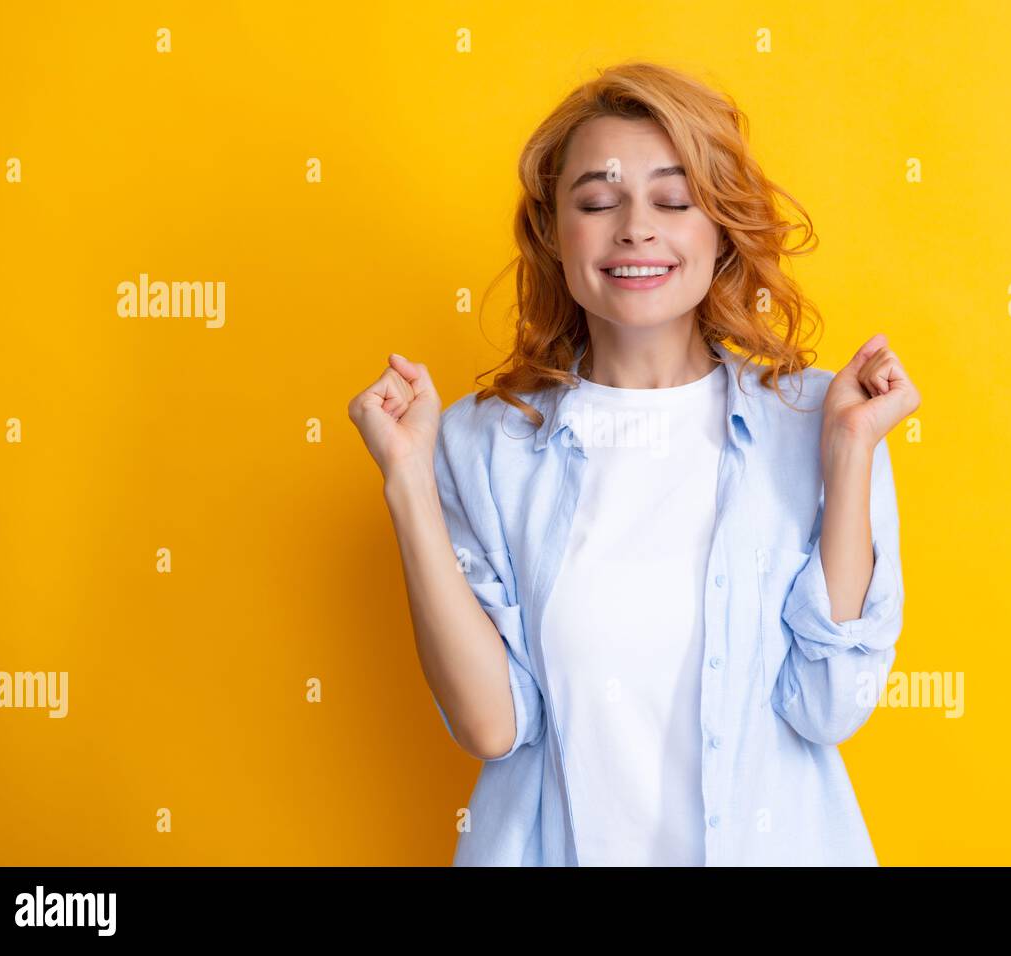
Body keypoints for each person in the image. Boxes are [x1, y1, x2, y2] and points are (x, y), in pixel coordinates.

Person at [347, 61, 921, 866]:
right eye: (597, 201)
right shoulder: (481, 443)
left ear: (719, 226)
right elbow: (491, 726)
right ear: (554, 232)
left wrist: (853, 452)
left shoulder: (821, 420)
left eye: (674, 200)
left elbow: (830, 704)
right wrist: (407, 480)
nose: (636, 229)